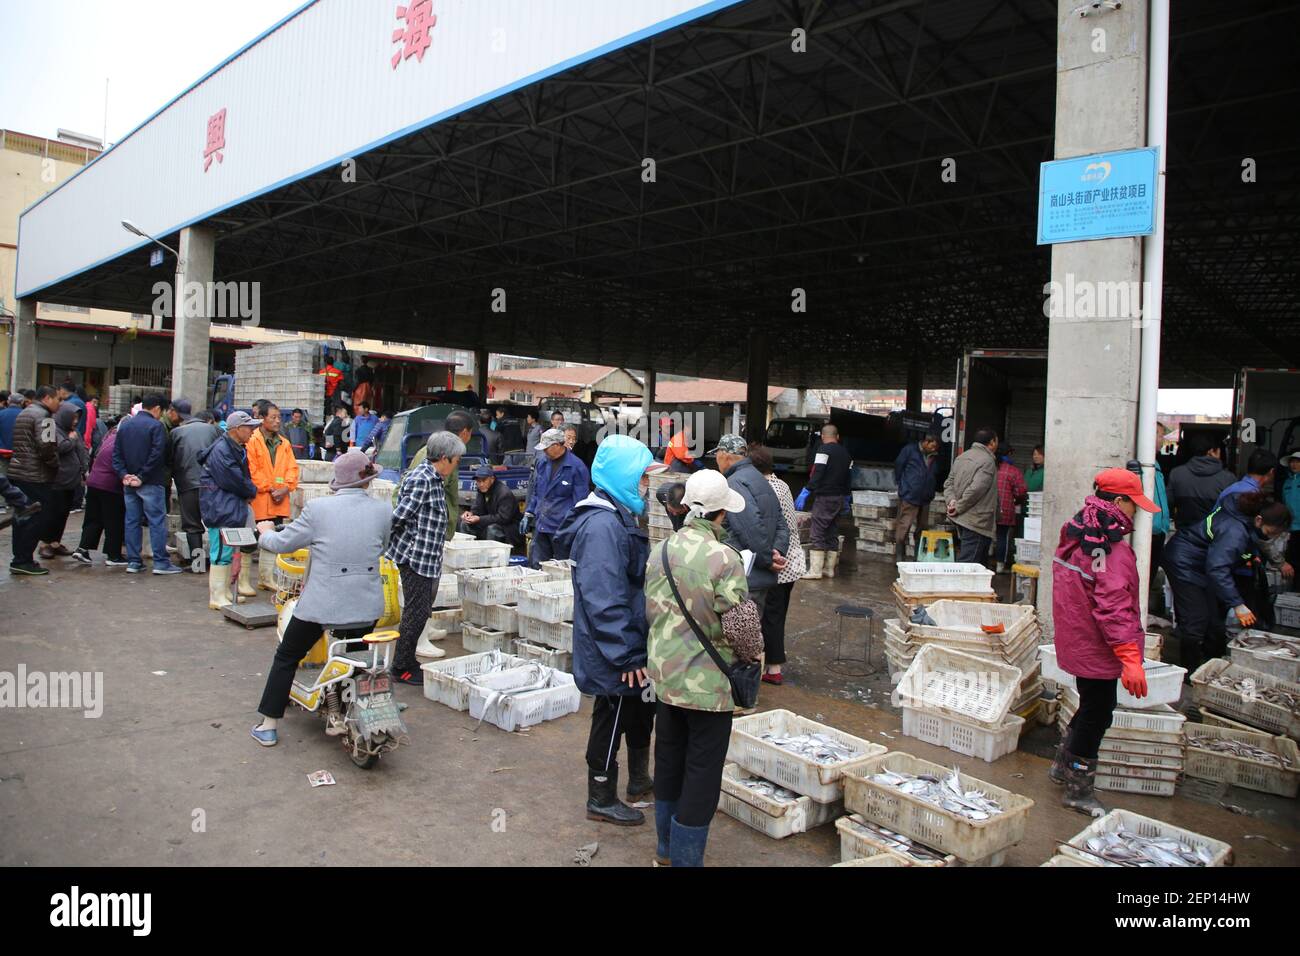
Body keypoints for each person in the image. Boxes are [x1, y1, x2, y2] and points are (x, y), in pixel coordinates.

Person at [645, 468, 755, 866]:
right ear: (721, 515)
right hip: (708, 686)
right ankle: (686, 859)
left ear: (689, 507)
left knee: (669, 761)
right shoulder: (725, 559)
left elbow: (652, 612)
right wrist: (753, 655)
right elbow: (741, 627)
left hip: (665, 677)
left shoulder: (660, 549)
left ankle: (664, 850)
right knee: (702, 773)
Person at [555, 435, 666, 826]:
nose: (646, 487)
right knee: (613, 712)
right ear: (622, 476)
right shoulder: (602, 526)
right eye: (641, 479)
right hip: (613, 648)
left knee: (640, 708)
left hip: (630, 640)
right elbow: (604, 598)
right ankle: (600, 794)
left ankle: (638, 779)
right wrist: (626, 654)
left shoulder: (619, 515)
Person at [249, 451, 393, 746]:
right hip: (366, 603)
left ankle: (268, 724)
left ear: (337, 482)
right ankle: (338, 710)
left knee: (287, 655)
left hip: (323, 603)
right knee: (353, 658)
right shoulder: (383, 510)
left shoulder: (318, 509)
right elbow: (381, 547)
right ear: (367, 481)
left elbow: (282, 542)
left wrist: (263, 532)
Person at [1048, 468, 1156, 817]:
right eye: (1134, 504)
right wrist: (1129, 657)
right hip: (1097, 647)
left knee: (1091, 706)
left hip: (1078, 640)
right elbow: (1113, 608)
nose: (1136, 511)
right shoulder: (1109, 547)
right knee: (1097, 714)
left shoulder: (1078, 530)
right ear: (1119, 501)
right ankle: (1078, 790)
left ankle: (1062, 766)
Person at [1163, 492, 1291, 678]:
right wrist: (1237, 604)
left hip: (1202, 565)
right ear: (1258, 519)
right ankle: (1189, 673)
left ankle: (1212, 664)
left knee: (1214, 620)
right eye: (1270, 532)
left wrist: (1247, 555)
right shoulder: (1235, 530)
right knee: (1196, 620)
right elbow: (1218, 568)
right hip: (1184, 564)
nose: (1269, 537)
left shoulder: (1242, 520)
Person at [387, 431, 464, 686]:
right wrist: (401, 546)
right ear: (443, 458)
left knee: (419, 612)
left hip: (426, 557)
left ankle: (406, 661)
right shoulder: (423, 478)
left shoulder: (434, 478)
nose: (456, 466)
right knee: (415, 613)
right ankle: (401, 666)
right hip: (416, 558)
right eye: (455, 460)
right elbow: (399, 517)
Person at [710, 434, 789, 605]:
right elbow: (782, 523)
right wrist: (777, 551)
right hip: (760, 576)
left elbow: (750, 528)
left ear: (724, 455)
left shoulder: (734, 483)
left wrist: (767, 560)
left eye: (716, 454)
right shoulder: (759, 477)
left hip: (746, 578)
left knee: (740, 630)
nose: (716, 459)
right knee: (754, 628)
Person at [751, 445, 805, 685]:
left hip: (775, 562)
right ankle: (771, 665)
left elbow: (763, 529)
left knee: (767, 616)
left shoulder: (759, 488)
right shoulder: (781, 485)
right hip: (791, 560)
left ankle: (771, 668)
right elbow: (791, 523)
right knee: (777, 614)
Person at [113, 393, 182, 575]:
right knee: (156, 521)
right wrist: (142, 476)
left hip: (128, 483)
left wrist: (124, 475)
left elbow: (116, 455)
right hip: (151, 482)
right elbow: (157, 455)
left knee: (132, 521)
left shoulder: (125, 425)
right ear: (157, 409)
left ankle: (134, 562)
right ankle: (161, 562)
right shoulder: (156, 427)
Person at [198, 412, 261, 608]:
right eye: (248, 427)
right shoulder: (222, 450)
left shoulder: (232, 447)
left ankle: (224, 591)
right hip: (221, 508)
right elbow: (232, 479)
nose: (252, 431)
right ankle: (216, 596)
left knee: (226, 551)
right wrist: (251, 490)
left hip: (227, 506)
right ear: (236, 429)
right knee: (219, 552)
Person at [1213, 449, 1279, 625]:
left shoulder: (1234, 488)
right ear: (1271, 472)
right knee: (1243, 608)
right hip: (1234, 559)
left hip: (1227, 554)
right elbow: (1248, 532)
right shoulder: (1248, 495)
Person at [7, 386, 61, 575]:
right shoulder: (44, 417)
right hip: (36, 475)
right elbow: (46, 447)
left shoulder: (25, 413)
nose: (59, 404)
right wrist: (55, 464)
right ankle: (24, 560)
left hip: (19, 473)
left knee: (21, 517)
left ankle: (19, 558)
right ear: (47, 398)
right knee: (35, 518)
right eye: (57, 399)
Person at [523, 427, 590, 566]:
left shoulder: (576, 467)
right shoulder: (542, 463)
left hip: (562, 529)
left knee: (562, 568)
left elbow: (580, 503)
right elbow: (537, 492)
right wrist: (529, 512)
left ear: (556, 445)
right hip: (541, 526)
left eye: (546, 447)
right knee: (537, 566)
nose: (544, 451)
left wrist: (571, 528)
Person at [168, 404, 222, 570]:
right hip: (212, 484)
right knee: (216, 524)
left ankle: (197, 565)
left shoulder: (176, 432)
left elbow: (170, 459)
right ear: (209, 420)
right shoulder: (216, 431)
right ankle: (218, 562)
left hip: (187, 483)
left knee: (192, 525)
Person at [403, 409, 475, 532]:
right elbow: (404, 512)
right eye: (470, 432)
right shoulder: (444, 456)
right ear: (464, 432)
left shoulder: (439, 450)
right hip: (425, 530)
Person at [73, 417, 127, 566]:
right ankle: (113, 555)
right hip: (109, 485)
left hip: (94, 481)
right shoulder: (123, 441)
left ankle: (82, 549)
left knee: (93, 517)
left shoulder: (110, 437)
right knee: (114, 519)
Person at [943, 427, 999, 564]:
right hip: (976, 521)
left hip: (962, 519)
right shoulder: (987, 461)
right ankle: (960, 586)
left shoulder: (961, 457)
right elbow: (976, 490)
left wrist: (952, 502)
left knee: (979, 564)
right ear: (992, 442)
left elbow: (948, 483)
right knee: (969, 564)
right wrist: (958, 506)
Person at [801, 424, 850, 579]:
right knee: (832, 531)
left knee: (818, 531)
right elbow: (849, 478)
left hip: (825, 497)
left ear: (822, 436)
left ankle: (815, 571)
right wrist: (847, 497)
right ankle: (829, 569)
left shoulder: (823, 450)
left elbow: (819, 471)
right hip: (839, 498)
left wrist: (807, 490)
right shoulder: (846, 454)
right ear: (838, 436)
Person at [40, 404, 88, 558]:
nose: (75, 421)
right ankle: (45, 544)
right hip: (57, 480)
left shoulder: (73, 432)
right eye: (73, 417)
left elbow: (82, 449)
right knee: (53, 513)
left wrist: (84, 469)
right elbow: (57, 448)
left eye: (77, 418)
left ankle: (55, 543)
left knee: (63, 513)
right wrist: (71, 440)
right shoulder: (52, 428)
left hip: (71, 480)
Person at [1166, 433, 1233, 529]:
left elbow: (1167, 506)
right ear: (1211, 451)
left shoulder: (1176, 474)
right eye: (1219, 450)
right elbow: (1232, 513)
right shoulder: (1228, 479)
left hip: (1184, 535)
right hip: (1215, 537)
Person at [893, 432, 940, 562]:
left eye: (935, 447)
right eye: (932, 446)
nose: (934, 449)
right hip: (909, 495)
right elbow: (899, 466)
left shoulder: (934, 456)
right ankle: (899, 558)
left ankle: (917, 557)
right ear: (925, 442)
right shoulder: (910, 450)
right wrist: (902, 485)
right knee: (904, 526)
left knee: (922, 528)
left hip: (925, 498)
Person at [459, 463, 521, 546]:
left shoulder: (504, 493)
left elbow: (503, 518)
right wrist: (470, 514)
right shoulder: (482, 490)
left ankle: (491, 555)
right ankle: (468, 551)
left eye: (484, 480)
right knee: (465, 524)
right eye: (478, 481)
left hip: (508, 528)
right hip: (489, 522)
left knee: (492, 529)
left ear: (492, 479)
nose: (481, 484)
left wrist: (479, 519)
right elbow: (478, 508)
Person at [994, 448, 1028, 573]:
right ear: (1009, 454)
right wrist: (1017, 500)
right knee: (1002, 537)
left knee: (987, 536)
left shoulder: (991, 467)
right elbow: (1022, 491)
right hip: (1005, 509)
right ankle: (1000, 566)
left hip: (988, 508)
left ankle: (984, 563)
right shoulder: (1013, 471)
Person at [1282, 449, 1300, 592]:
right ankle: (1292, 592)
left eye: (1297, 462)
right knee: (1292, 561)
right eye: (1292, 462)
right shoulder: (1286, 482)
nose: (1294, 465)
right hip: (1290, 529)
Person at [0, 390, 24, 477]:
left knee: (3, 481)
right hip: (21, 455)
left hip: (2, 454)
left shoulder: (1, 414)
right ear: (22, 402)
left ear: (8, 401)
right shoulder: (25, 415)